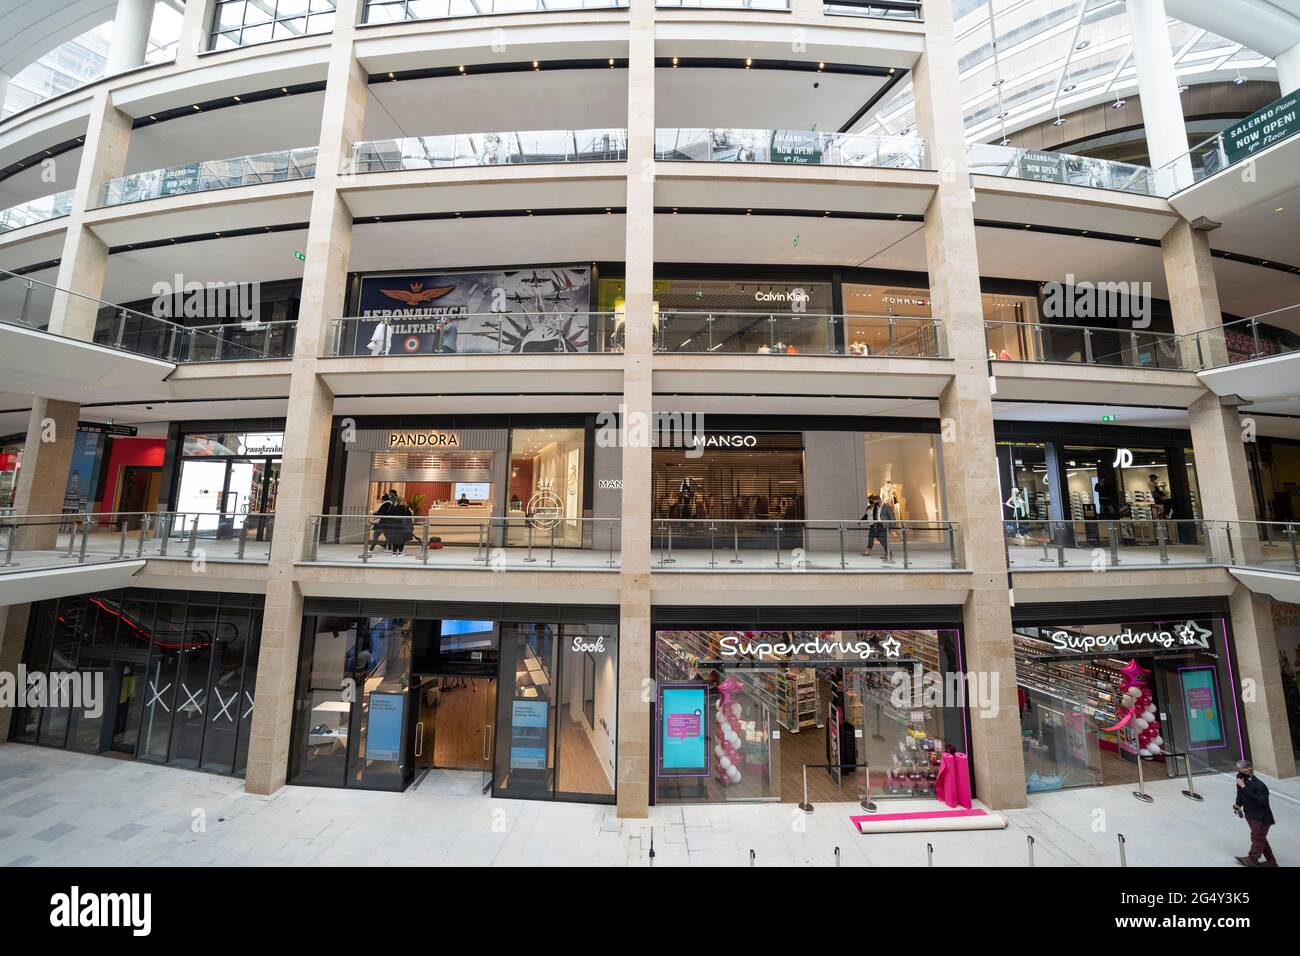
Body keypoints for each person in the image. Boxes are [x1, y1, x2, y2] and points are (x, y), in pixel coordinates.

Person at [1234, 760, 1278, 866]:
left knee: (1257, 838)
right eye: (1240, 770)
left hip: (1261, 817)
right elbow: (1240, 793)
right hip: (1249, 814)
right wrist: (1238, 804)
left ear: (1250, 769)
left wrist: (1244, 787)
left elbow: (1262, 801)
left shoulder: (1260, 786)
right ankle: (1272, 863)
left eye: (1245, 770)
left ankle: (1252, 859)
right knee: (1260, 838)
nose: (1242, 772)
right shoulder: (1240, 777)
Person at [862, 493, 895, 559]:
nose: (874, 503)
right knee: (880, 538)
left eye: (875, 501)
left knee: (883, 539)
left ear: (879, 500)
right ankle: (888, 553)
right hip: (877, 525)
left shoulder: (887, 506)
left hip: (884, 525)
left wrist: (892, 527)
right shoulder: (876, 507)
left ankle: (889, 554)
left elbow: (892, 517)